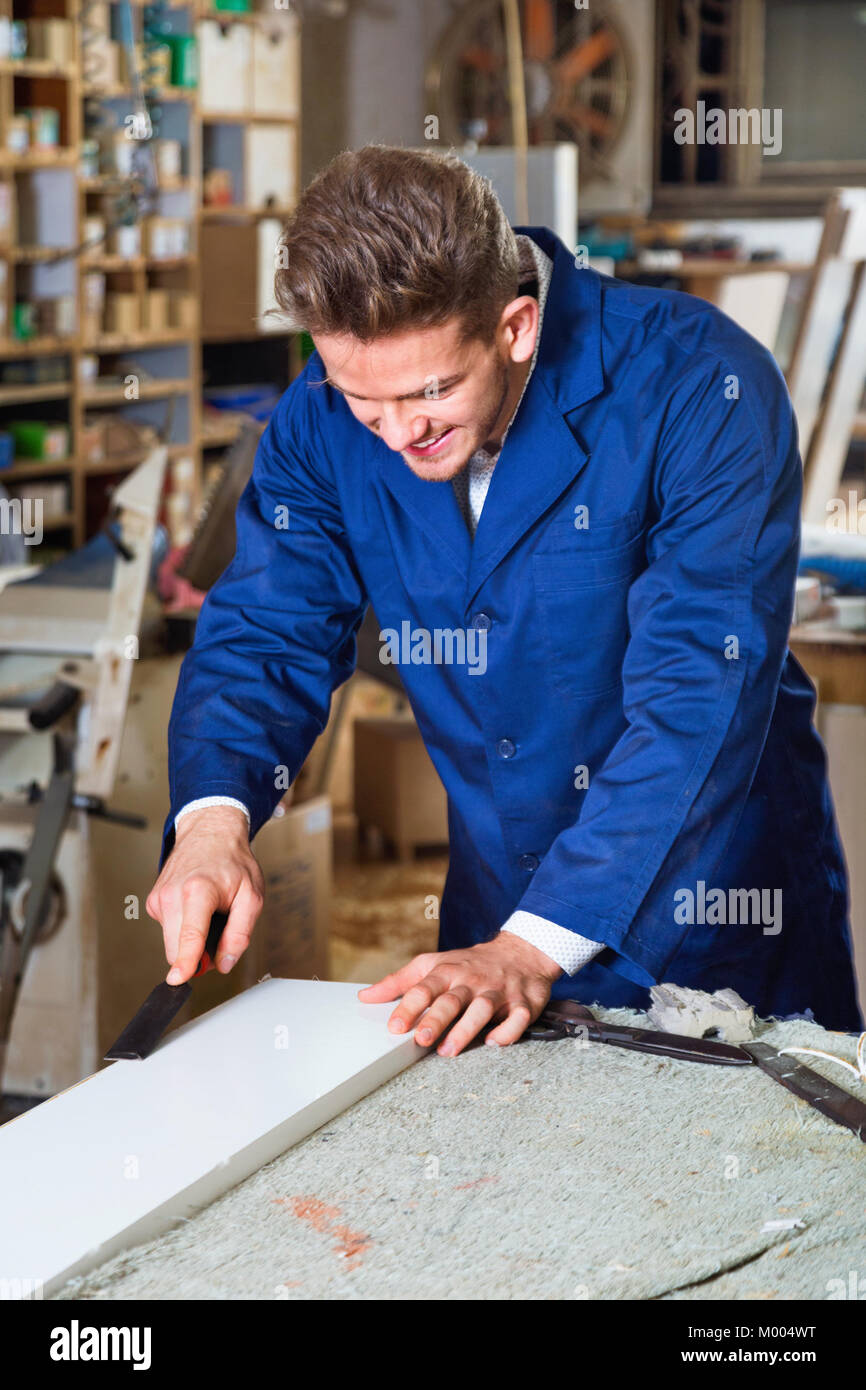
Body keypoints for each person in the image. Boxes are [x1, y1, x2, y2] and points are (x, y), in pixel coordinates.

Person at [147, 145, 863, 1058]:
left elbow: (700, 695)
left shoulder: (700, 386)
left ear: (517, 327)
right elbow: (263, 634)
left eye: (431, 392)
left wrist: (538, 942)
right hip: (492, 924)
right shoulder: (320, 419)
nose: (399, 432)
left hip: (712, 911)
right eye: (365, 401)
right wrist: (214, 823)